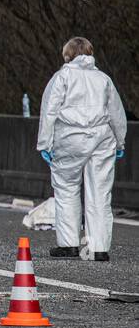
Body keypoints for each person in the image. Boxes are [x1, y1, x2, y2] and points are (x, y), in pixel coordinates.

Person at [37, 36, 127, 261]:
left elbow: (49, 111)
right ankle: (98, 247)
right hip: (101, 139)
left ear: (67, 55)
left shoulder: (62, 77)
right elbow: (116, 113)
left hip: (70, 138)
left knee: (67, 188)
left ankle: (69, 244)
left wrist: (44, 143)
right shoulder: (103, 79)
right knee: (100, 192)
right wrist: (120, 140)